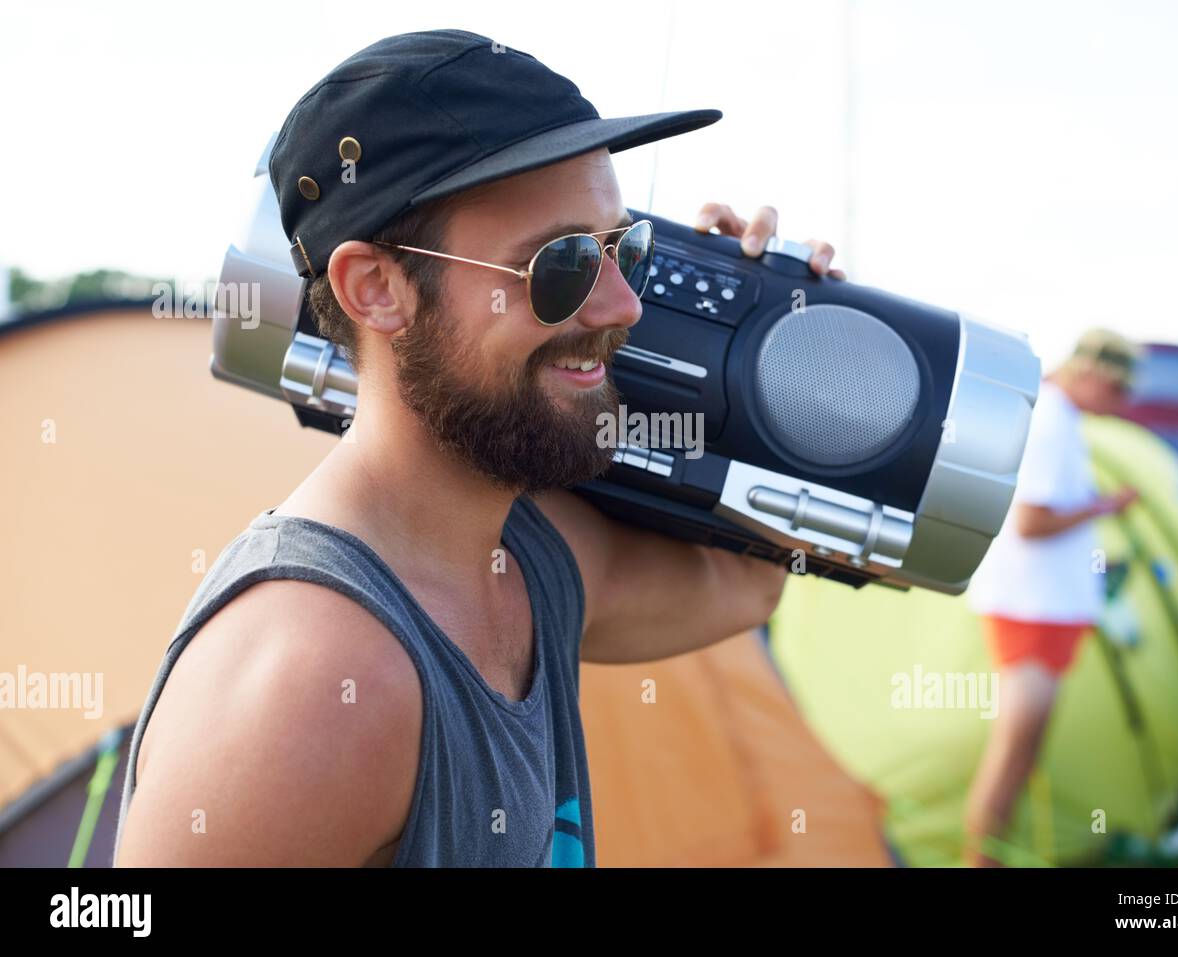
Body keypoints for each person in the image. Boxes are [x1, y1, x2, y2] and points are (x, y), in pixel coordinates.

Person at [113, 30, 847, 867]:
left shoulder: (529, 561)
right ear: (377, 289)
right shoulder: (316, 678)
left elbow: (749, 583)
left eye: (627, 248)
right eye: (562, 262)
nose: (621, 306)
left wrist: (745, 323)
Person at [962, 327, 1144, 866]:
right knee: (1013, 752)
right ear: (1092, 373)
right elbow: (1033, 521)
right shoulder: (1050, 422)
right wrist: (1105, 508)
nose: (1121, 405)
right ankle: (979, 861)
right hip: (1032, 609)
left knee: (1022, 753)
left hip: (1043, 608)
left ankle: (988, 857)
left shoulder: (1058, 418)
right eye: (1119, 392)